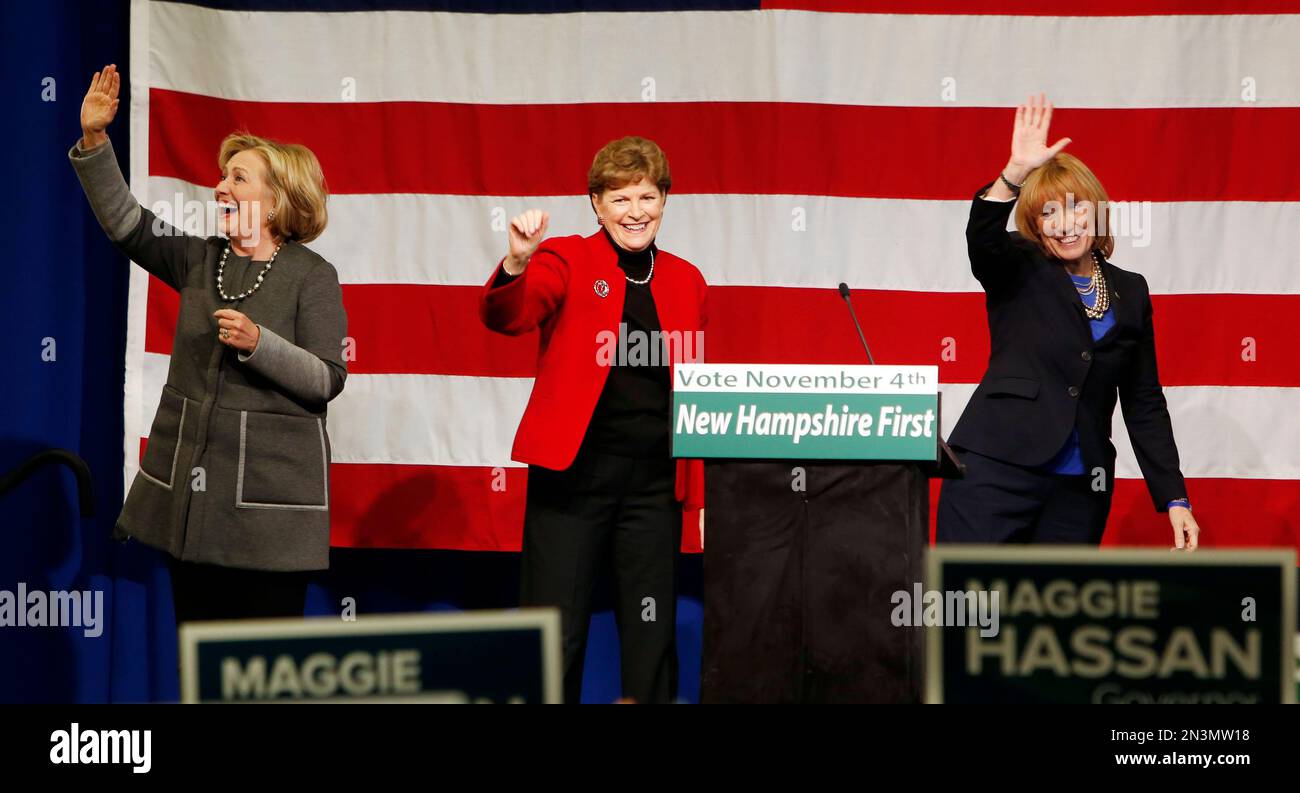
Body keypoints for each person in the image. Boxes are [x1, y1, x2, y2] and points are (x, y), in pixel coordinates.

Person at [70, 64, 349, 624]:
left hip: (269, 516)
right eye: (223, 177)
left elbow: (328, 377)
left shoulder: (310, 274)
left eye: (238, 177)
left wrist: (258, 343)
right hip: (195, 509)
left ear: (275, 201)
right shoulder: (199, 258)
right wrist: (97, 139)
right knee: (199, 664)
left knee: (262, 673)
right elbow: (126, 221)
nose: (220, 186)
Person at [481, 136, 707, 703]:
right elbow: (510, 315)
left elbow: (695, 391)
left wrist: (698, 495)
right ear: (597, 205)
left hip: (655, 482)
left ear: (665, 201)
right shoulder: (566, 259)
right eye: (621, 198)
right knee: (556, 629)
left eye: (648, 197)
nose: (636, 211)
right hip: (575, 476)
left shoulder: (688, 280)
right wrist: (516, 262)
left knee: (651, 633)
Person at [938, 94, 1201, 550]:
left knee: (1052, 618)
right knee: (972, 615)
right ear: (1036, 226)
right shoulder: (1018, 265)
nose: (1064, 224)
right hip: (995, 472)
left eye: (1075, 207)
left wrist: (1174, 497)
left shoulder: (1131, 290)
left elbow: (1143, 401)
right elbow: (982, 239)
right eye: (1047, 213)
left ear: (1096, 211)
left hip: (1080, 490)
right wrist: (1014, 174)